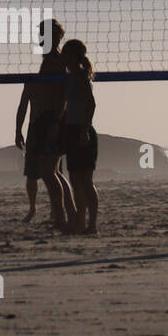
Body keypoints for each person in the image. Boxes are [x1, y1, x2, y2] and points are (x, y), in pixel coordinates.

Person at [14, 18, 75, 229]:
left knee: (50, 173)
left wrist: (55, 124)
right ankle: (67, 214)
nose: (40, 37)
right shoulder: (49, 60)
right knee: (53, 173)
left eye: (44, 33)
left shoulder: (56, 61)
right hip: (44, 123)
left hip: (51, 123)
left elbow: (62, 98)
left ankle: (62, 217)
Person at [59, 39, 99, 234]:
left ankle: (91, 224)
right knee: (75, 179)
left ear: (73, 57)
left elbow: (91, 105)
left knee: (85, 180)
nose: (63, 58)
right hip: (72, 130)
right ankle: (81, 223)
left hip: (82, 130)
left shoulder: (81, 78)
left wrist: (84, 130)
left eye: (65, 54)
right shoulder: (71, 77)